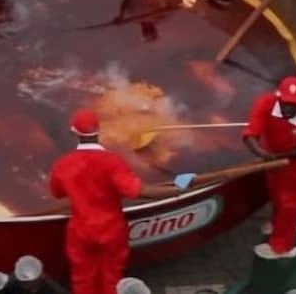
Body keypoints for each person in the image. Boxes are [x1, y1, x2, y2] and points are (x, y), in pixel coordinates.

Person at [49, 109, 193, 294]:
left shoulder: (63, 164)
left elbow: (57, 193)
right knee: (112, 277)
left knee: (82, 278)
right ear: (98, 132)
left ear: (75, 133)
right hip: (111, 230)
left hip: (80, 231)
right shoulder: (113, 163)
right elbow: (138, 191)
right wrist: (177, 190)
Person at [243, 76, 296, 259]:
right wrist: (263, 154)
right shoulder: (264, 103)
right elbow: (251, 134)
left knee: (289, 202)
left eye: (293, 105)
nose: (288, 108)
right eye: (285, 104)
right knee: (275, 194)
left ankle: (282, 247)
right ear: (278, 97)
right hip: (272, 158)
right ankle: (281, 224)